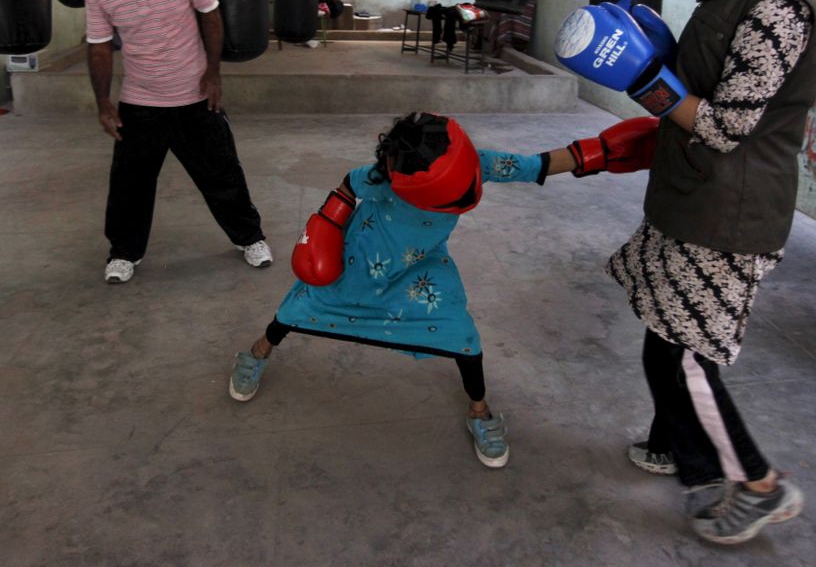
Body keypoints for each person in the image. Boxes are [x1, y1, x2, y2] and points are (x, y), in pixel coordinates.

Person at [555, 0, 816, 544]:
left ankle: (758, 484)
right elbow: (705, 81)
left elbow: (728, 124)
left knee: (682, 353)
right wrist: (656, 53)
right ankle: (688, 456)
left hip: (729, 209)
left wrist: (646, 79)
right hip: (693, 190)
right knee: (664, 339)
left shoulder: (778, 8)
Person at [227, 112, 573, 467]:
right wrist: (326, 226)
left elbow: (535, 166)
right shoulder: (384, 179)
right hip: (359, 264)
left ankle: (479, 411)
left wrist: (596, 152)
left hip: (418, 268)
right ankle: (258, 351)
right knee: (300, 307)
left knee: (461, 333)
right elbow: (349, 183)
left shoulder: (472, 163)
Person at [83, 0, 272, 284]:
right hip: (140, 102)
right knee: (129, 185)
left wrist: (214, 71)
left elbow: (210, 14)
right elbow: (100, 46)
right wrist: (103, 102)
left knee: (222, 174)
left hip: (195, 97)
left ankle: (250, 238)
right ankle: (124, 252)